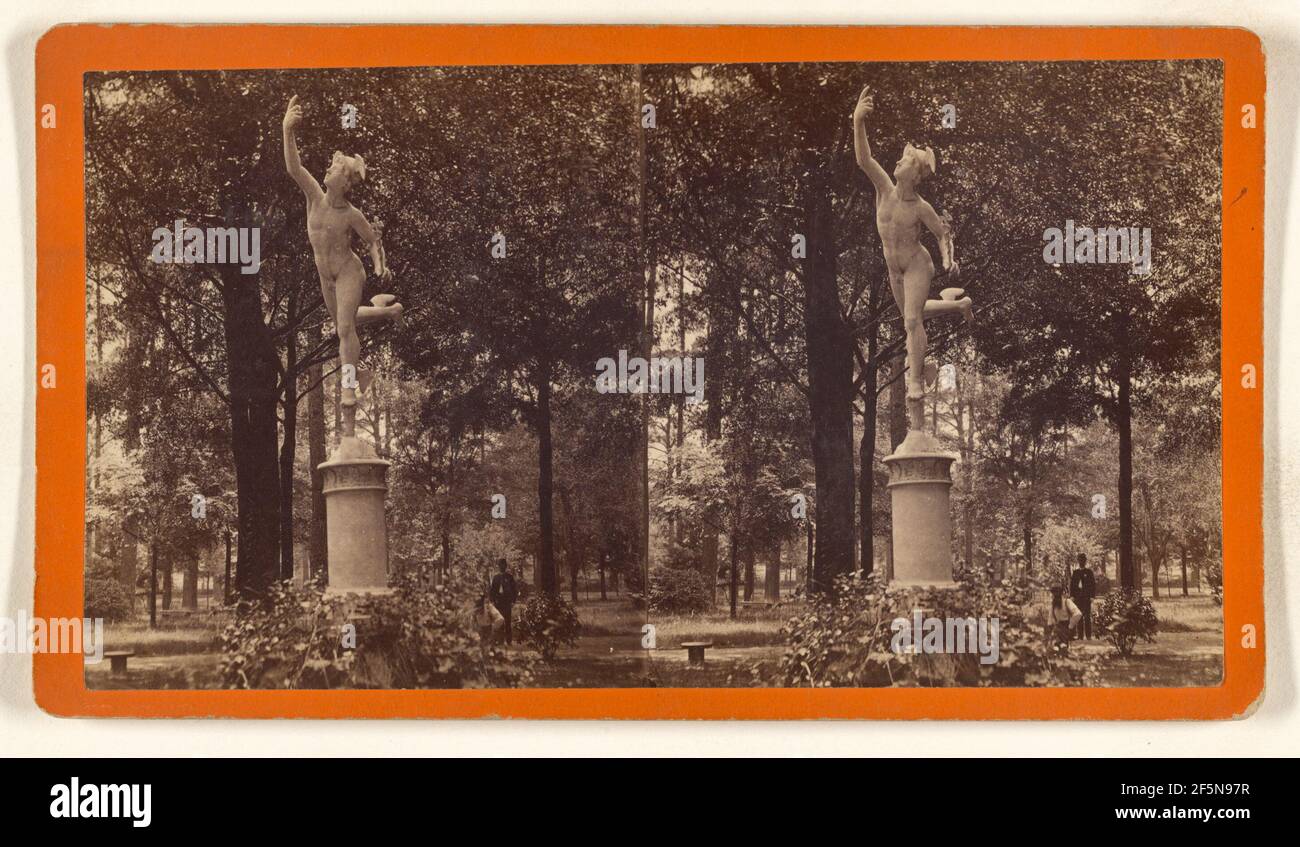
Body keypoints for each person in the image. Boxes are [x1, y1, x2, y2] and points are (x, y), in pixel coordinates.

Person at [282, 95, 403, 436]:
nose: (326, 170)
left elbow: (371, 240)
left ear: (346, 182)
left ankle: (349, 387)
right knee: (343, 324)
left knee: (344, 331)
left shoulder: (351, 214)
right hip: (327, 277)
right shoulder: (314, 198)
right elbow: (294, 168)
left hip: (349, 272)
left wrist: (380, 265)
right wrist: (287, 129)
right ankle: (387, 312)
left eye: (334, 169)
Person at [852, 85, 972, 414]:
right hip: (895, 270)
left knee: (909, 322)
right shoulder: (884, 189)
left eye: (904, 160)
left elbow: (942, 234)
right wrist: (858, 121)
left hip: (918, 264)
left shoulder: (921, 207)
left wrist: (949, 260)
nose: (896, 161)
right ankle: (958, 303)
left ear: (915, 174)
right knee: (913, 316)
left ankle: (916, 380)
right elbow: (864, 159)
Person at [488, 558, 519, 646]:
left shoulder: (509, 577)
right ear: (498, 566)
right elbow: (492, 590)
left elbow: (514, 590)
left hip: (507, 602)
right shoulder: (496, 577)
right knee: (500, 620)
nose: (502, 567)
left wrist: (513, 601)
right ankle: (500, 640)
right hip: (498, 602)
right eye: (500, 565)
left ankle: (509, 641)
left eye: (503, 565)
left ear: (506, 566)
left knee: (508, 621)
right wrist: (492, 600)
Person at [1070, 553, 1097, 640]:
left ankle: (1088, 635)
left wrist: (1092, 596)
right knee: (1079, 616)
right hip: (1077, 598)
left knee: (1087, 616)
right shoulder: (1075, 572)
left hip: (1086, 597)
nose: (1082, 562)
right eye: (1080, 560)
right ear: (1078, 561)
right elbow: (1072, 585)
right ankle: (1080, 636)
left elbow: (1093, 585)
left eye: (1083, 560)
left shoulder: (1089, 572)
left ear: (1085, 561)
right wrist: (1072, 596)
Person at [1048, 587, 1083, 652]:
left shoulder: (1067, 602)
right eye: (1054, 594)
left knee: (1062, 645)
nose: (1055, 596)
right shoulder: (1053, 604)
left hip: (1066, 626)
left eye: (1057, 594)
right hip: (1057, 627)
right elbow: (1050, 618)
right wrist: (1050, 627)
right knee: (1055, 645)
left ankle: (1062, 650)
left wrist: (1070, 625)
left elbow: (1078, 614)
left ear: (1061, 594)